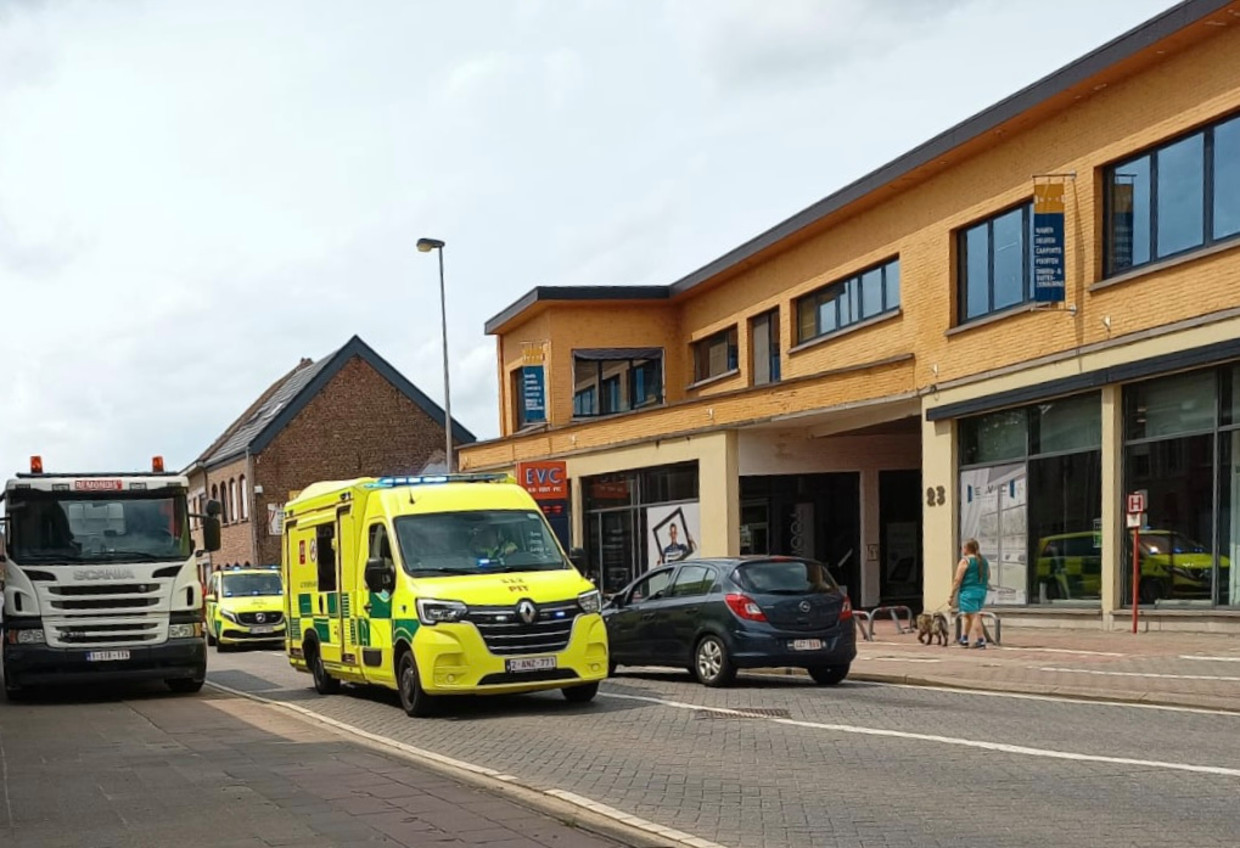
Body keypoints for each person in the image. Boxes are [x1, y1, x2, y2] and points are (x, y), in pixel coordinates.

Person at [951, 538, 990, 648]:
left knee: (974, 616)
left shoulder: (965, 561)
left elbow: (957, 579)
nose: (963, 549)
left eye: (964, 547)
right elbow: (988, 575)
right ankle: (964, 637)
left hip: (968, 592)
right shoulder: (983, 561)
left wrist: (951, 595)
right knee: (967, 614)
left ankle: (981, 639)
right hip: (981, 591)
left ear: (967, 549)